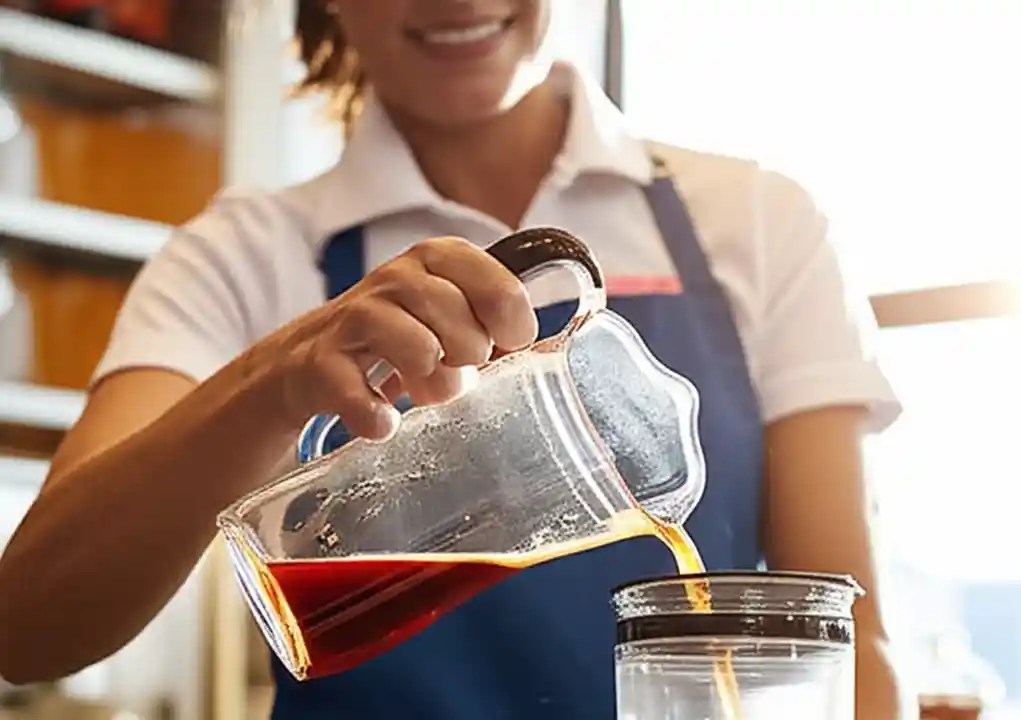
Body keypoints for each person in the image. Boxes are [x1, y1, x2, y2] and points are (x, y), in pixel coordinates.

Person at [0, 1, 904, 717]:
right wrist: (276, 378)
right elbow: (29, 628)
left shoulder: (757, 223)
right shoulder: (246, 253)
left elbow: (847, 644)